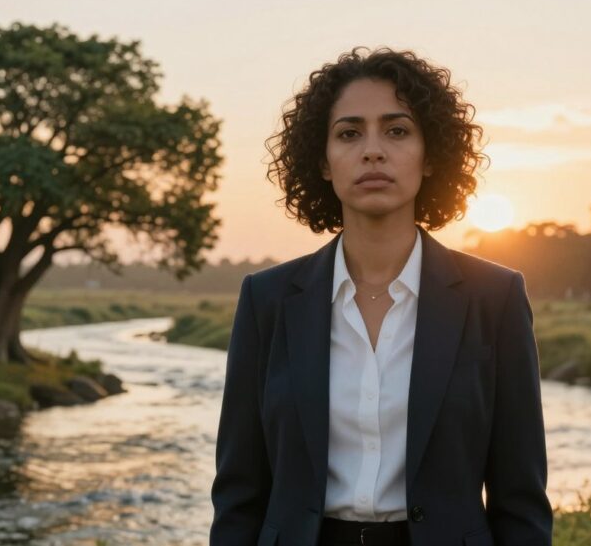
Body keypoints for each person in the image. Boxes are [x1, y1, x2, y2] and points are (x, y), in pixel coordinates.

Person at [209, 47, 553, 546]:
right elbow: (239, 493)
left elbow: (520, 500)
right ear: (323, 162)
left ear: (431, 155)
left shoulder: (494, 297)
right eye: (349, 133)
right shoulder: (267, 299)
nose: (372, 150)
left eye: (397, 131)